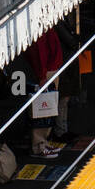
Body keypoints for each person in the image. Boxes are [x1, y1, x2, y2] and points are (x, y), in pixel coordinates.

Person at [27, 29, 63, 158]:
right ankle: (39, 146)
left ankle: (43, 142)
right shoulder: (40, 28)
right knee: (43, 111)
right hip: (47, 73)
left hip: (49, 71)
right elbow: (39, 52)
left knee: (47, 110)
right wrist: (42, 76)